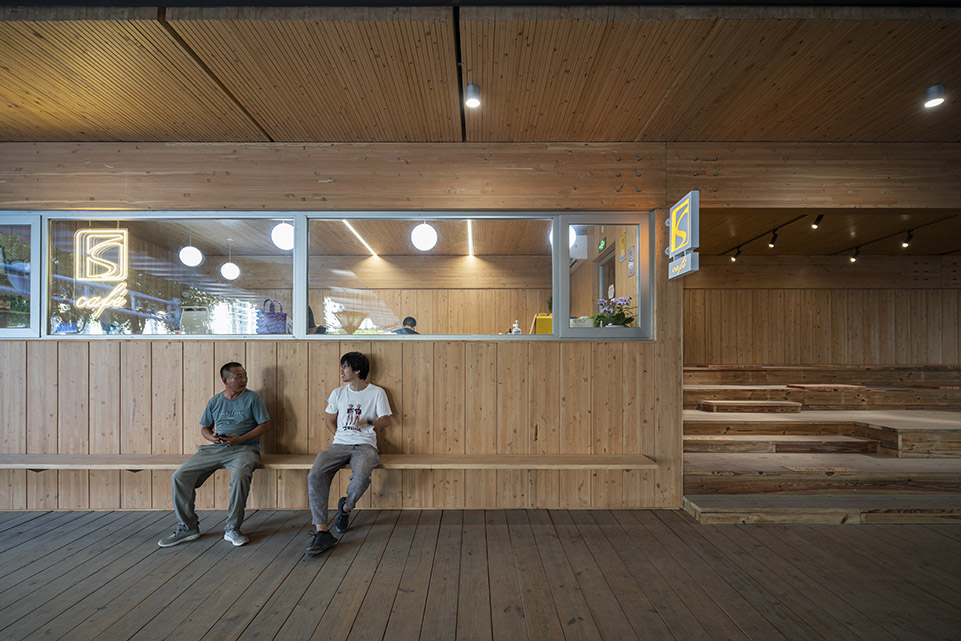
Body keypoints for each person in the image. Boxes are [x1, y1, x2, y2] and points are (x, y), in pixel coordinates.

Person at [158, 362, 271, 548]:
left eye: (244, 375)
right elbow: (205, 428)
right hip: (215, 448)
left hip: (244, 449)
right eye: (238, 377)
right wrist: (212, 437)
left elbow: (265, 425)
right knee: (180, 476)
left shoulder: (253, 399)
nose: (244, 379)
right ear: (225, 380)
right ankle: (187, 528)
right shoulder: (215, 401)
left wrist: (240, 439)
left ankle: (232, 528)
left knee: (241, 475)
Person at [306, 352, 392, 556]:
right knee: (316, 474)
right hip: (339, 445)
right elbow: (329, 420)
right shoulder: (338, 393)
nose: (341, 371)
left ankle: (345, 508)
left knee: (362, 476)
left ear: (357, 370)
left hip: (365, 446)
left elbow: (386, 420)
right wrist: (341, 437)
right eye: (342, 366)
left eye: (345, 367)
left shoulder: (377, 392)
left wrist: (368, 422)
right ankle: (321, 531)